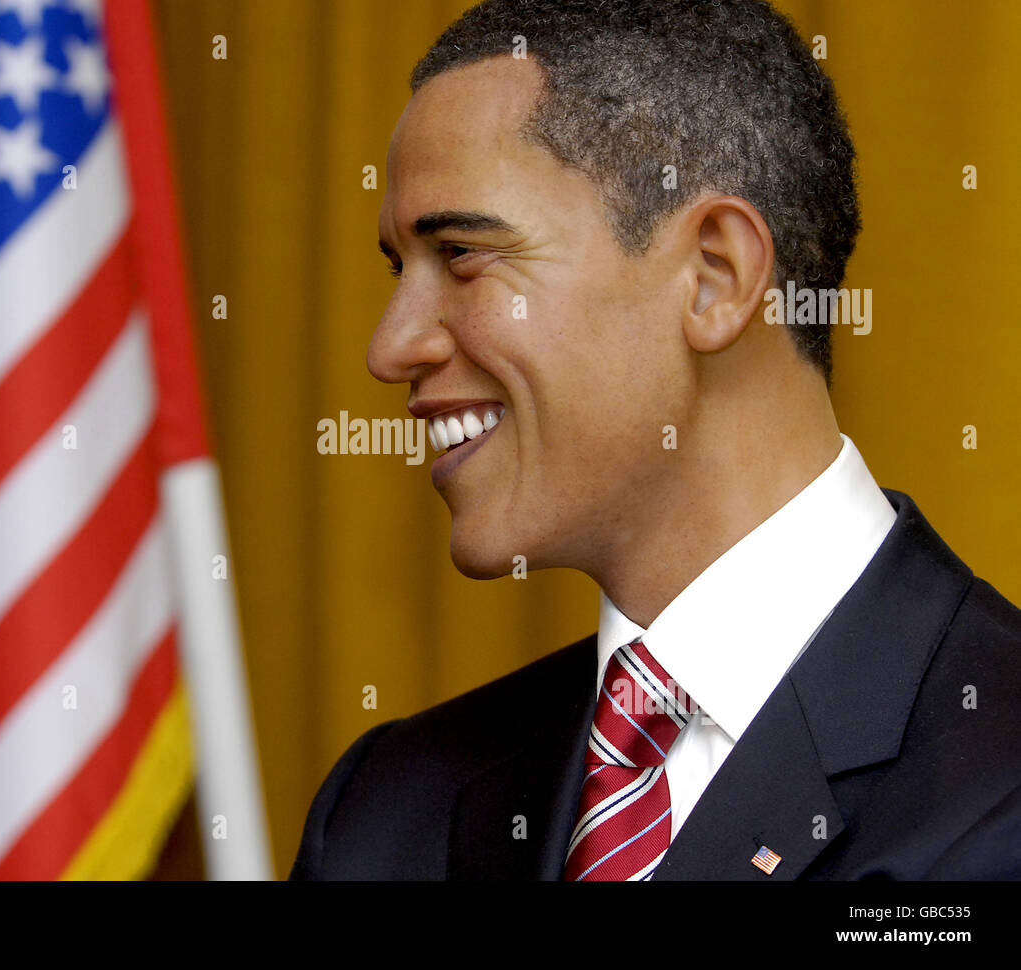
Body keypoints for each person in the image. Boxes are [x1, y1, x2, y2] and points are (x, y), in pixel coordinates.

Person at [290, 0, 1021, 880]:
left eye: (461, 255)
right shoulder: (385, 816)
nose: (389, 346)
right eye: (395, 268)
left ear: (714, 276)